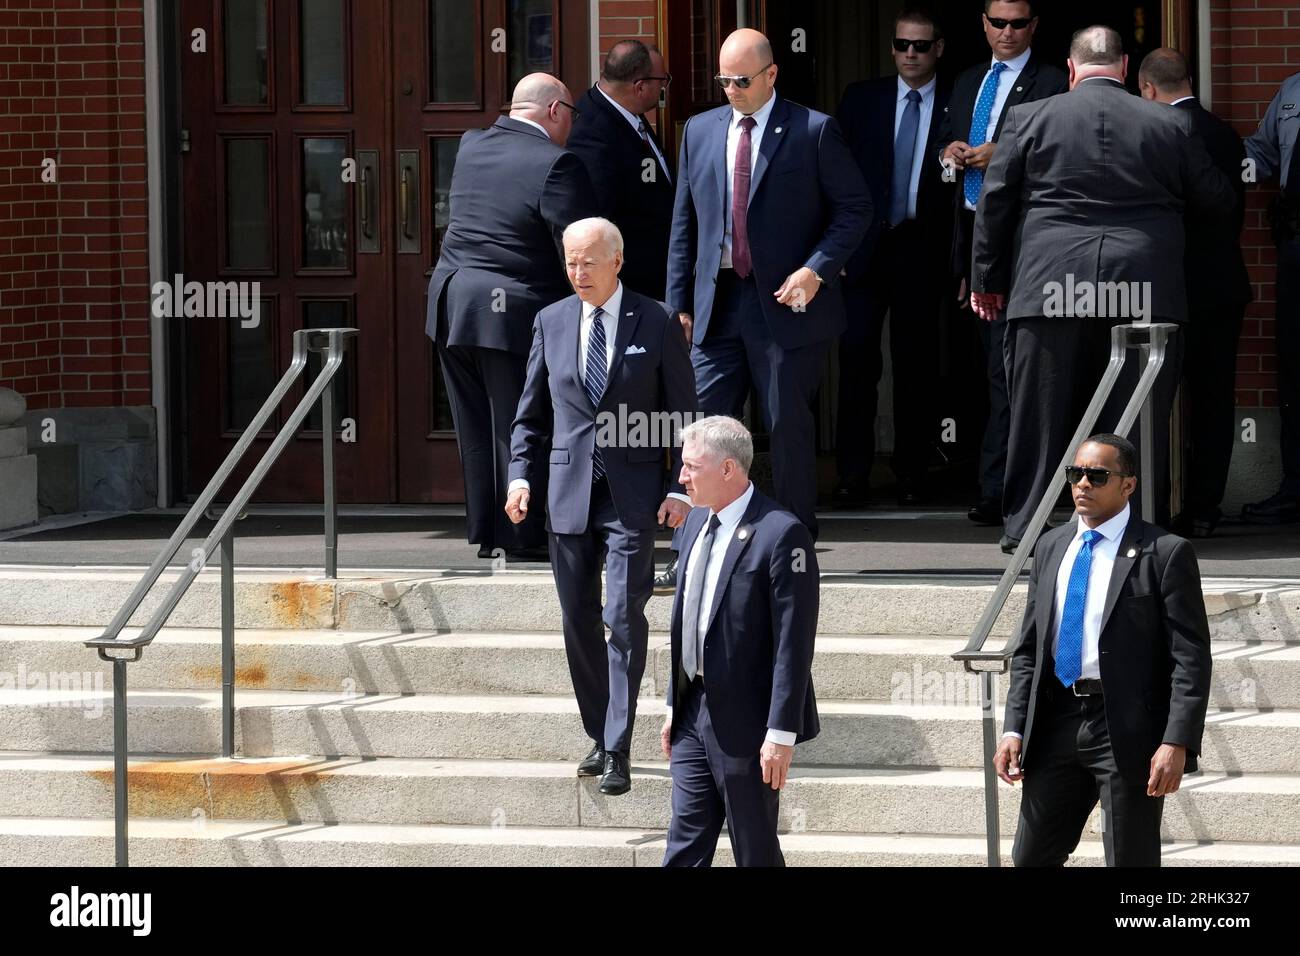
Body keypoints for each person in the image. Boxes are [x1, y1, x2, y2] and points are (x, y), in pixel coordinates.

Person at [971, 26, 1235, 552]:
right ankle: (1133, 524)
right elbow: (1218, 202)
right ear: (1124, 66)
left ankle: (1026, 526)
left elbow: (995, 203)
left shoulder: (1030, 117)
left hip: (1050, 282)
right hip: (1143, 282)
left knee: (1038, 412)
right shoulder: (1169, 122)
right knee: (1134, 412)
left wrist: (987, 279)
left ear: (1071, 69)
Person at [664, 26, 870, 583]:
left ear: (772, 74)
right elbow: (685, 223)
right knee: (702, 427)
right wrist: (677, 302)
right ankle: (696, 548)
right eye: (724, 79)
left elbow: (854, 210)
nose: (731, 89)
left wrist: (816, 270)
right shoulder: (700, 132)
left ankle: (793, 550)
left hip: (784, 302)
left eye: (742, 79)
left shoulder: (813, 130)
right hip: (718, 301)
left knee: (787, 426)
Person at [506, 218, 695, 796]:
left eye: (588, 261)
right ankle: (598, 731)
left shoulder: (656, 319)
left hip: (631, 497)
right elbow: (531, 415)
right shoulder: (550, 321)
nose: (578, 272)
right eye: (570, 261)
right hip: (566, 496)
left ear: (616, 260)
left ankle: (617, 746)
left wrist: (681, 487)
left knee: (622, 618)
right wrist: (520, 477)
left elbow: (683, 410)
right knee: (577, 620)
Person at [994, 434, 1212, 866]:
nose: (1083, 485)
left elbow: (1190, 657)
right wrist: (1014, 728)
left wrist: (1177, 740)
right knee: (1031, 858)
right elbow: (1029, 648)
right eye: (1076, 474)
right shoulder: (1052, 546)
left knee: (1129, 859)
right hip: (1056, 720)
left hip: (1126, 730)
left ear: (1128, 485)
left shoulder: (1164, 553)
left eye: (1097, 475)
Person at [427, 73, 596, 561]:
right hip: (510, 310)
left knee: (475, 426)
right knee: (521, 421)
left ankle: (488, 531)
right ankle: (521, 536)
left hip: (453, 303)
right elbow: (577, 247)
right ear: (555, 112)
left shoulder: (471, 145)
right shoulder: (558, 163)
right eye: (571, 117)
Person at [660, 416, 819, 867]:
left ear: (728, 469)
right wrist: (675, 704)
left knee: (754, 849)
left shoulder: (782, 533)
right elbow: (687, 620)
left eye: (691, 467)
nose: (682, 478)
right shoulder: (691, 525)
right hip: (693, 711)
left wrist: (781, 733)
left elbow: (794, 642)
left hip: (750, 724)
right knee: (684, 845)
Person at [936, 0, 1067, 529]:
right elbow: (944, 146)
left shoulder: (1054, 80)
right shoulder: (968, 79)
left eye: (1018, 24)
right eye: (998, 23)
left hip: (1025, 245)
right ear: (983, 25)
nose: (1007, 32)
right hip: (972, 238)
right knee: (977, 367)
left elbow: (1064, 155)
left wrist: (1003, 153)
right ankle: (986, 480)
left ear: (1034, 26)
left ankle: (1004, 492)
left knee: (1010, 372)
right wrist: (951, 153)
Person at [835, 6, 953, 507]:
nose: (910, 53)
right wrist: (833, 247)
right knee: (857, 362)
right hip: (864, 248)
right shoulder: (862, 100)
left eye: (921, 46)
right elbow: (833, 176)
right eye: (903, 44)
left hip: (922, 249)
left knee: (916, 366)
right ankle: (851, 476)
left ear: (938, 49)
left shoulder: (956, 101)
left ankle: (911, 472)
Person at [1138, 48, 1252, 539]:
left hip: (1168, 286)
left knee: (1151, 401)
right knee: (1214, 399)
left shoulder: (1155, 132)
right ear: (1187, 79)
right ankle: (1206, 505)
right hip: (1222, 283)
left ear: (1146, 88)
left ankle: (1149, 507)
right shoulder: (1224, 132)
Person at [565, 40, 675, 300]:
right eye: (662, 80)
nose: (664, 86)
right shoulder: (592, 132)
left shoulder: (629, 112)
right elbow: (601, 220)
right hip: (635, 285)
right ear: (640, 87)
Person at [1241, 70, 1300, 525]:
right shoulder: (1292, 90)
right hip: (1296, 241)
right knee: (1294, 364)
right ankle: (1295, 487)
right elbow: (1259, 155)